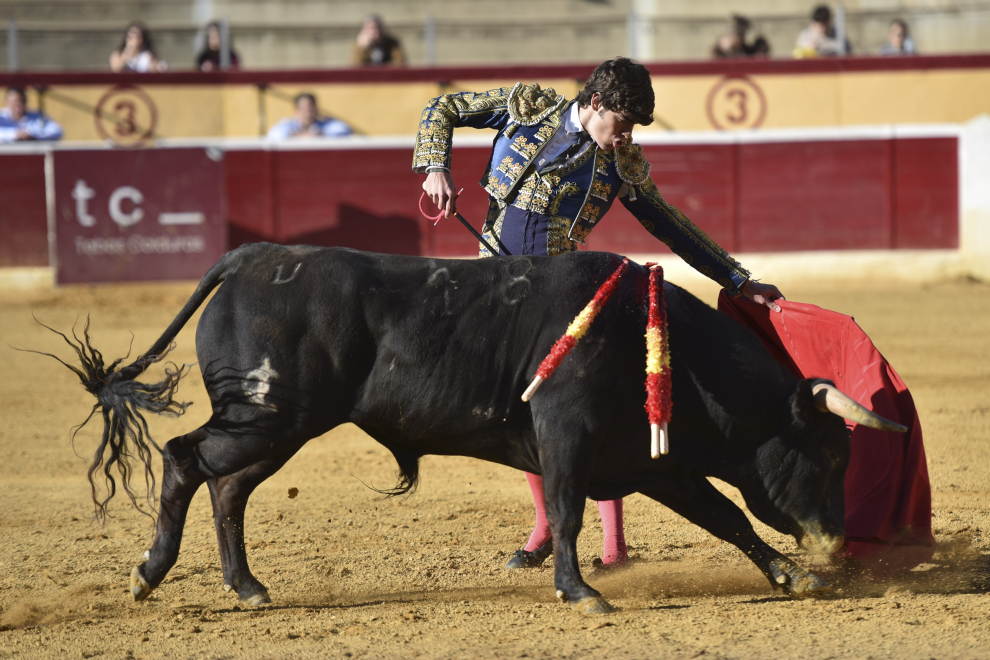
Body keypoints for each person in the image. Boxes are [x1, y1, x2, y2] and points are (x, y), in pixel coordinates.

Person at [414, 57, 784, 570]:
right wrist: (437, 168)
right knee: (520, 412)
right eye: (622, 123)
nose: (626, 136)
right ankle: (545, 525)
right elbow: (444, 106)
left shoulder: (621, 163)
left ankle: (613, 545)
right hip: (496, 291)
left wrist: (738, 280)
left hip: (562, 301)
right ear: (594, 104)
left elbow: (671, 225)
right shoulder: (526, 109)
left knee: (588, 415)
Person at [266, 93, 353, 140]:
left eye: (311, 108)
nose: (309, 113)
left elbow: (344, 130)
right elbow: (274, 135)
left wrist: (322, 135)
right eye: (304, 109)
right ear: (296, 110)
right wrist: (304, 136)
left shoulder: (325, 124)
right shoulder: (287, 124)